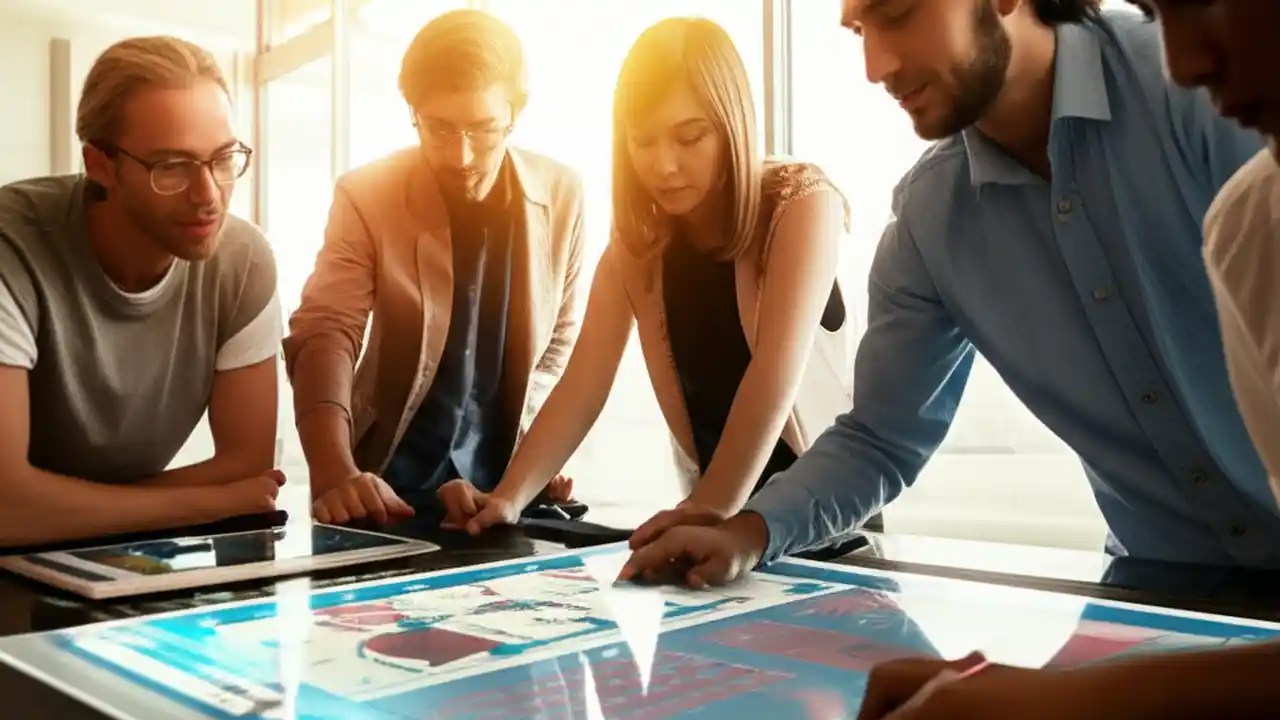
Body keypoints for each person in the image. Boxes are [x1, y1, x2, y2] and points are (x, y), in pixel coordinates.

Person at [620, 0, 1276, 587]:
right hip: (1165, 596)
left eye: (898, 15)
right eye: (858, 31)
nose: (875, 65)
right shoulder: (930, 220)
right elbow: (881, 439)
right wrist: (749, 532)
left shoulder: (1206, 88)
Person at [436, 17, 854, 538]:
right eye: (644, 140)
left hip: (824, 520)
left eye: (690, 136)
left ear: (732, 125)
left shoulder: (801, 202)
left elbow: (774, 372)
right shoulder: (636, 250)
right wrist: (508, 498)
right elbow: (582, 388)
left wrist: (709, 510)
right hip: (717, 526)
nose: (665, 165)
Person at [284, 9, 586, 527]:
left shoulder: (563, 193)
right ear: (413, 111)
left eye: (484, 128)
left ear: (517, 110)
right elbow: (327, 331)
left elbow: (558, 342)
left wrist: (529, 466)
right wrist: (334, 470)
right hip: (383, 484)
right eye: (439, 128)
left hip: (500, 492)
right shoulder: (366, 195)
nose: (461, 154)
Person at [0, 36, 284, 547]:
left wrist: (65, 508)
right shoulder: (11, 247)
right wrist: (210, 503)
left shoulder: (243, 260)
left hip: (111, 557)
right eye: (171, 168)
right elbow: (6, 508)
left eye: (222, 158)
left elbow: (246, 468)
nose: (209, 196)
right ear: (100, 165)